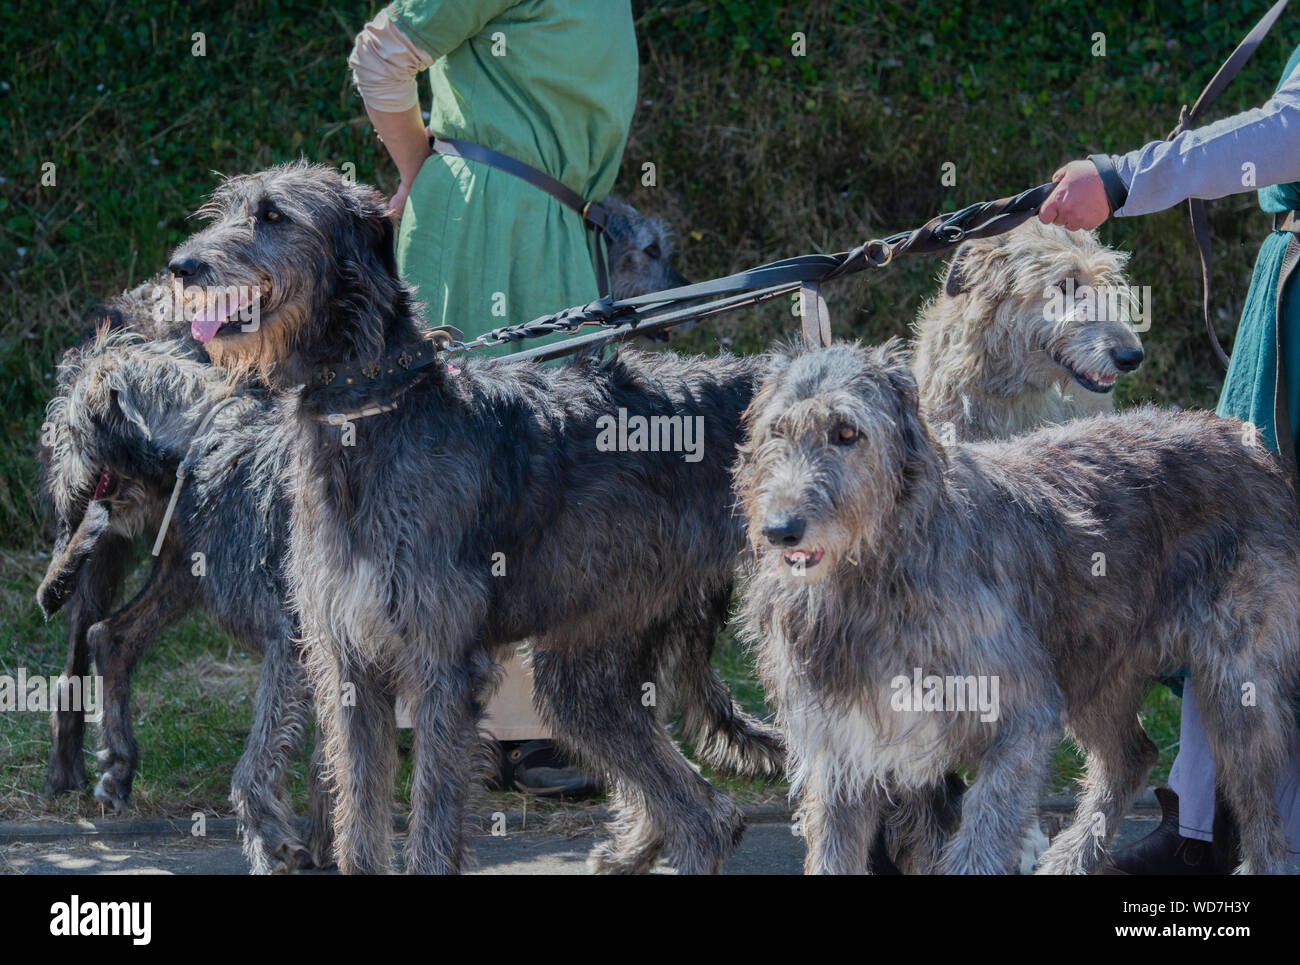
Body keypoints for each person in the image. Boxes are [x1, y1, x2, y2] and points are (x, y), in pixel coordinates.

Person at [349, 0, 638, 795]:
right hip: (482, 225)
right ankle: (455, 722)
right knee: (456, 480)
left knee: (555, 480)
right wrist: (421, 168)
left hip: (554, 228)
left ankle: (536, 723)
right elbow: (380, 54)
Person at [1040, 43, 1300, 872]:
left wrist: (1125, 179)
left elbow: (1287, 132)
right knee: (1224, 554)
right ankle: (1203, 822)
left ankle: (1259, 835)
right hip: (1287, 284)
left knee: (1249, 566)